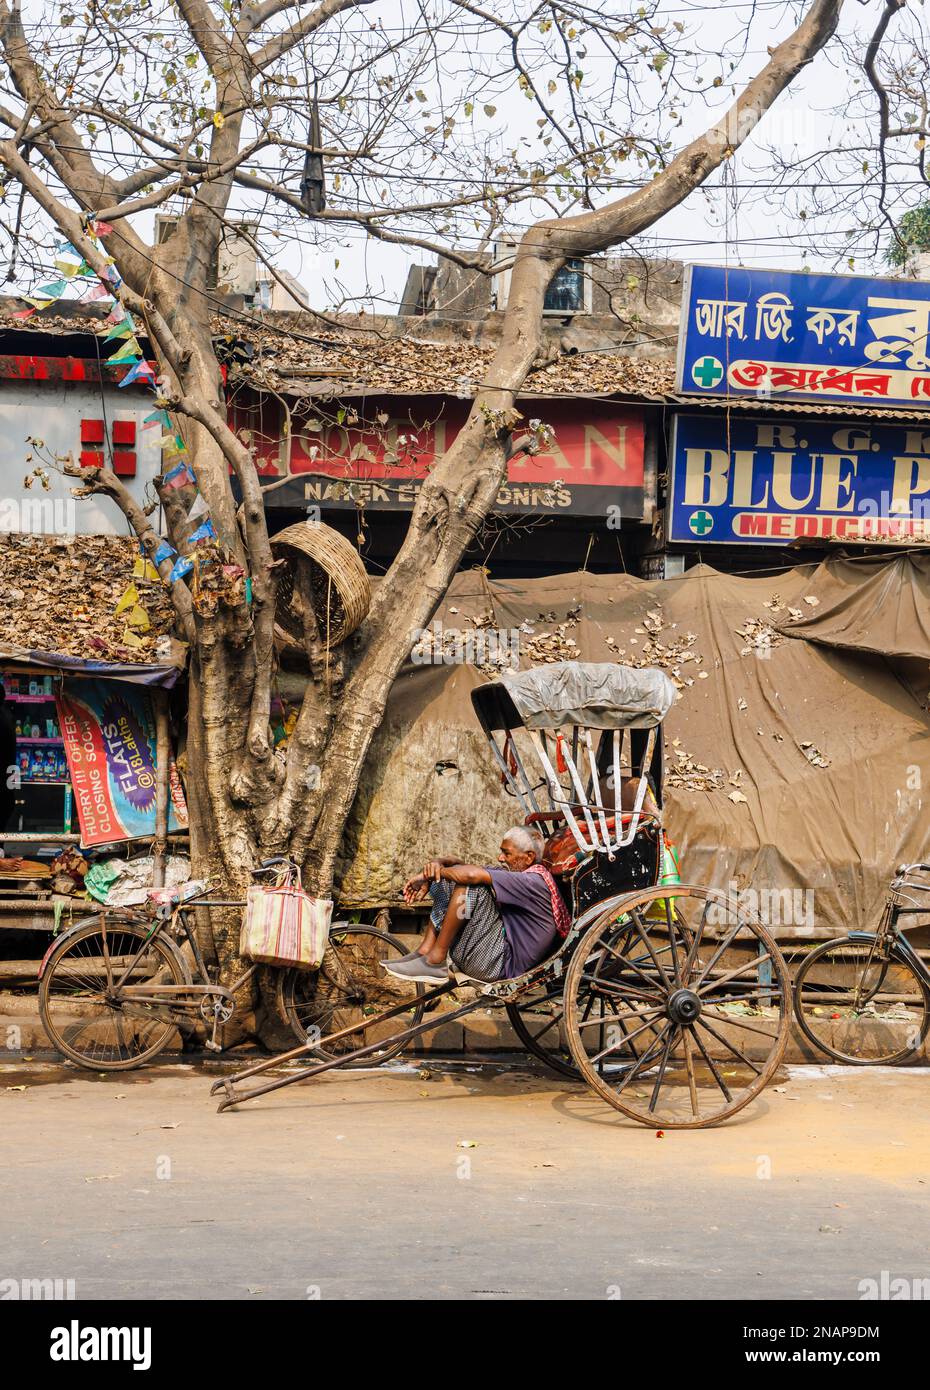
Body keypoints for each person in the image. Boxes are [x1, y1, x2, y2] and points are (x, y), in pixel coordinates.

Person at [385, 825, 570, 985]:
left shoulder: (532, 882)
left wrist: (434, 873)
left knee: (471, 885)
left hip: (496, 966)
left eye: (507, 853)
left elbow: (472, 875)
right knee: (452, 879)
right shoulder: (523, 877)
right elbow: (464, 867)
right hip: (487, 956)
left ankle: (435, 960)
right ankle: (424, 952)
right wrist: (436, 865)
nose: (500, 858)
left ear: (529, 857)